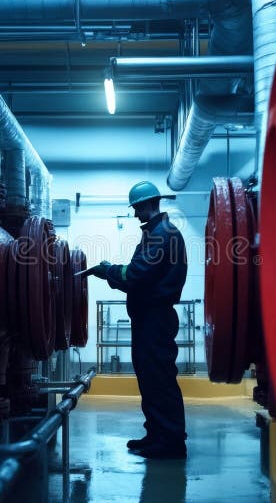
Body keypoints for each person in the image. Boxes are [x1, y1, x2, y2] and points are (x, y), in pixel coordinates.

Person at [88, 181, 188, 459]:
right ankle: (157, 434)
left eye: (136, 208)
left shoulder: (162, 235)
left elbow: (135, 275)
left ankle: (170, 442)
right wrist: (112, 272)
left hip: (155, 319)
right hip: (148, 319)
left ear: (147, 205)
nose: (134, 214)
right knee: (149, 378)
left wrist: (107, 269)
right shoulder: (156, 233)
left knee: (159, 380)